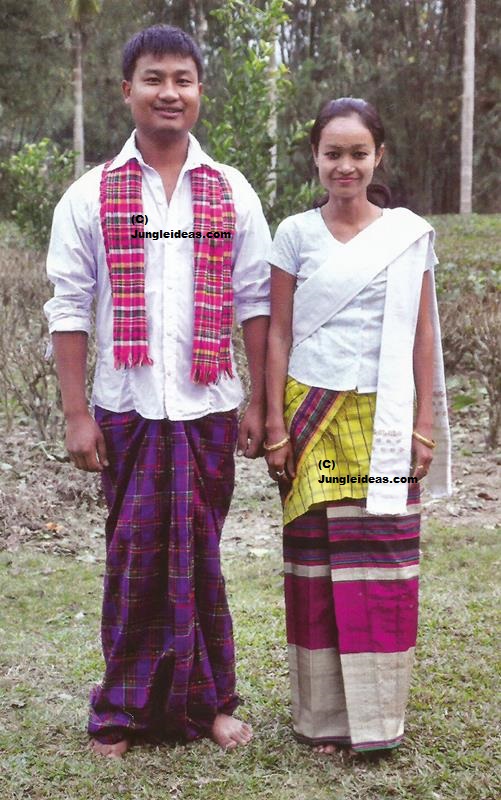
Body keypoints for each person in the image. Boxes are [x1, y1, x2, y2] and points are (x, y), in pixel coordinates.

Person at [44, 25, 271, 758]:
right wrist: (77, 414)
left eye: (183, 78)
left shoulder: (230, 190)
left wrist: (259, 403)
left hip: (207, 409)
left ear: (199, 91)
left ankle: (207, 705)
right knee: (135, 561)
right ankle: (122, 711)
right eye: (153, 78)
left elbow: (255, 304)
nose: (169, 91)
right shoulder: (90, 194)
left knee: (201, 559)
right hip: (127, 408)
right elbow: (70, 307)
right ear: (127, 91)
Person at [265, 97, 451, 755]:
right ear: (315, 158)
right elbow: (278, 333)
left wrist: (423, 424)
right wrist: (273, 424)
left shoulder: (407, 235)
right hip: (310, 414)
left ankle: (376, 718)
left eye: (357, 154)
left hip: (384, 417)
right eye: (332, 154)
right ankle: (322, 719)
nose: (345, 166)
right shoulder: (292, 233)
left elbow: (421, 339)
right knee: (315, 564)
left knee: (380, 562)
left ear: (379, 158)